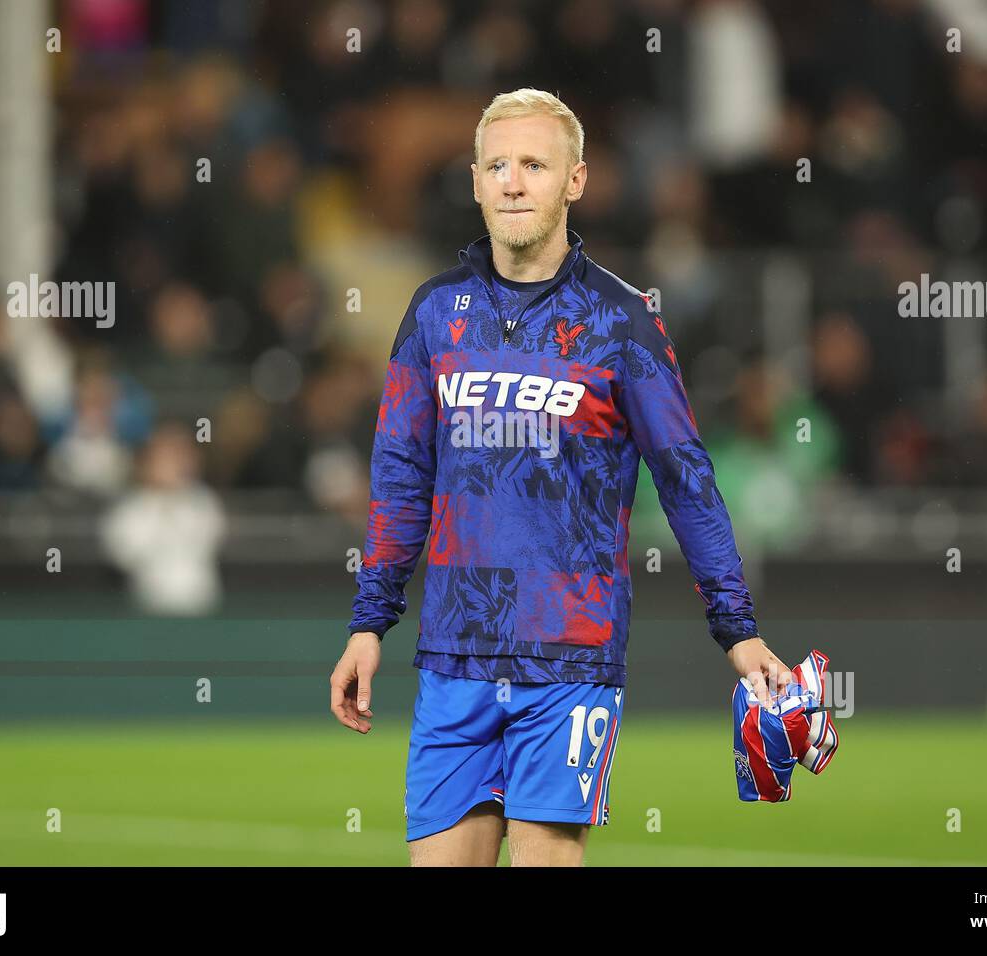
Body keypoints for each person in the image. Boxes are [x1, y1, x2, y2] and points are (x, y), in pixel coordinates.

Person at [329, 88, 791, 867]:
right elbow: (401, 479)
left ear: (574, 181)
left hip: (569, 656)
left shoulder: (621, 320)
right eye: (498, 165)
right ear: (475, 181)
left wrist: (736, 629)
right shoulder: (435, 314)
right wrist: (369, 622)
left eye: (534, 165)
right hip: (454, 655)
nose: (513, 182)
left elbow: (686, 480)